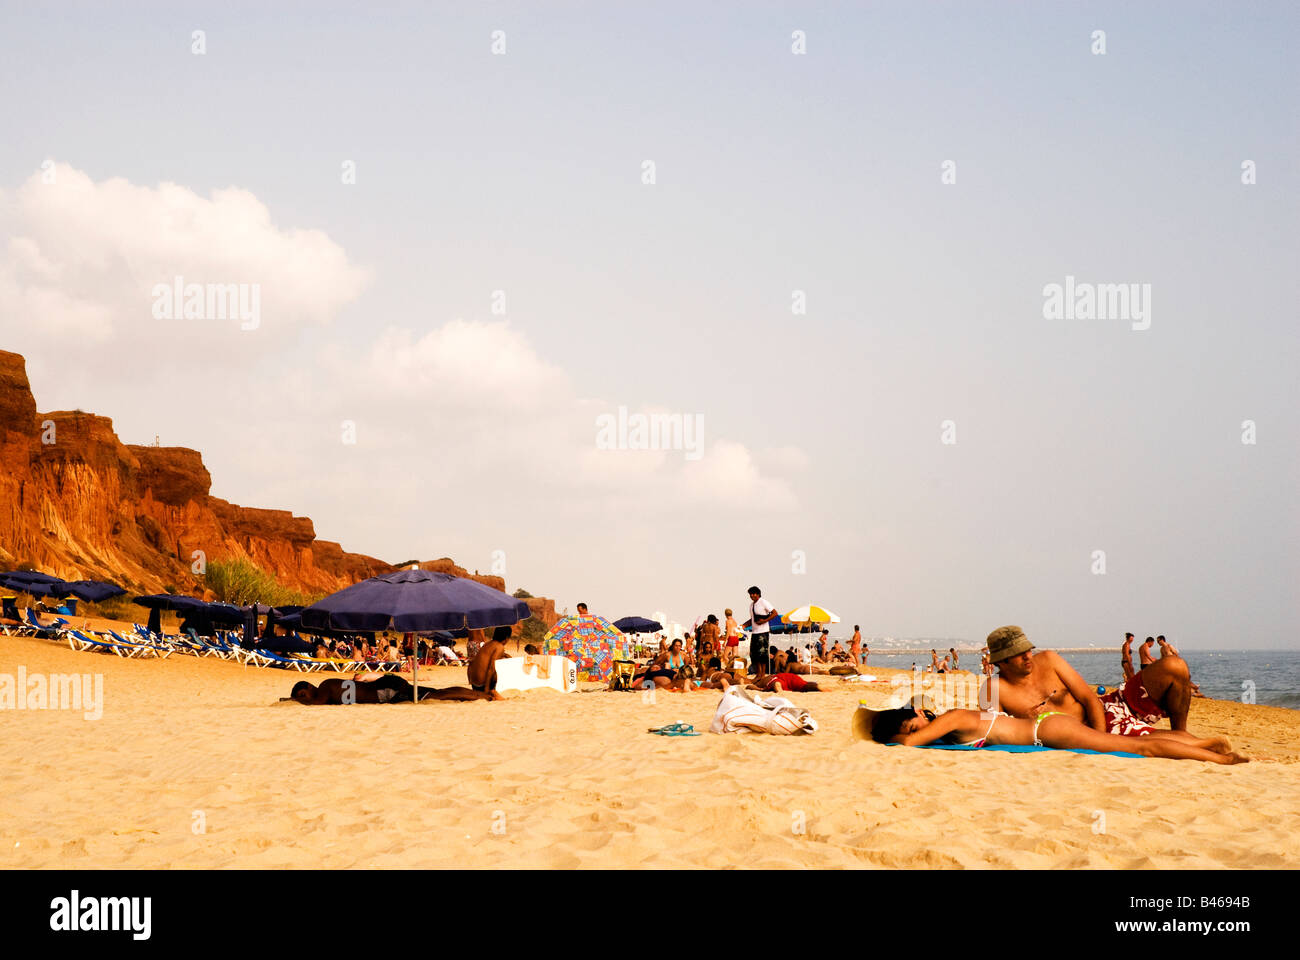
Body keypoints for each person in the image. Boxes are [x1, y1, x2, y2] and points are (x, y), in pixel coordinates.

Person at [981, 625, 1206, 740]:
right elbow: (991, 732)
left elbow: (1089, 698)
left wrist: (1101, 740)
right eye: (1019, 654)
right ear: (1003, 661)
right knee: (1179, 742)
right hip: (1088, 731)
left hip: (1108, 707)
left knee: (1175, 666)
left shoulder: (1049, 659)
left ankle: (1180, 730)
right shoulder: (993, 689)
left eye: (1027, 650)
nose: (1028, 656)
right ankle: (1181, 738)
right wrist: (1022, 721)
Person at [860, 704, 1246, 763]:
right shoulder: (955, 717)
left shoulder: (946, 718)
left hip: (1049, 733)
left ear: (919, 715)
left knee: (1140, 749)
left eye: (916, 722)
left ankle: (1217, 758)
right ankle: (1200, 743)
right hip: (1047, 726)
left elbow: (910, 743)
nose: (921, 730)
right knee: (1133, 743)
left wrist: (889, 738)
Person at [290, 676, 495, 704]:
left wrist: (294, 701)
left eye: (302, 694)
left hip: (386, 690)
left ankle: (482, 695)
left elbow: (316, 704)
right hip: (385, 687)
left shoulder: (325, 687)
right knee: (437, 693)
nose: (304, 698)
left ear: (309, 686)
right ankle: (476, 695)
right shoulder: (328, 687)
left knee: (437, 695)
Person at [466, 626, 512, 700]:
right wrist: (487, 688)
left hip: (474, 683)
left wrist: (504, 655)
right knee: (498, 667)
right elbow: (491, 668)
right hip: (482, 684)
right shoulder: (499, 647)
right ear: (507, 638)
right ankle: (493, 691)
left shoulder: (488, 644)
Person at [746, 586, 777, 675]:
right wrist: (744, 625)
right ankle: (759, 673)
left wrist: (764, 620)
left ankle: (762, 674)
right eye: (750, 594)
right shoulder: (751, 605)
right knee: (754, 654)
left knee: (762, 654)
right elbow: (752, 619)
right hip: (755, 632)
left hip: (763, 632)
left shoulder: (763, 602)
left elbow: (775, 613)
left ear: (758, 594)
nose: (752, 596)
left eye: (753, 594)